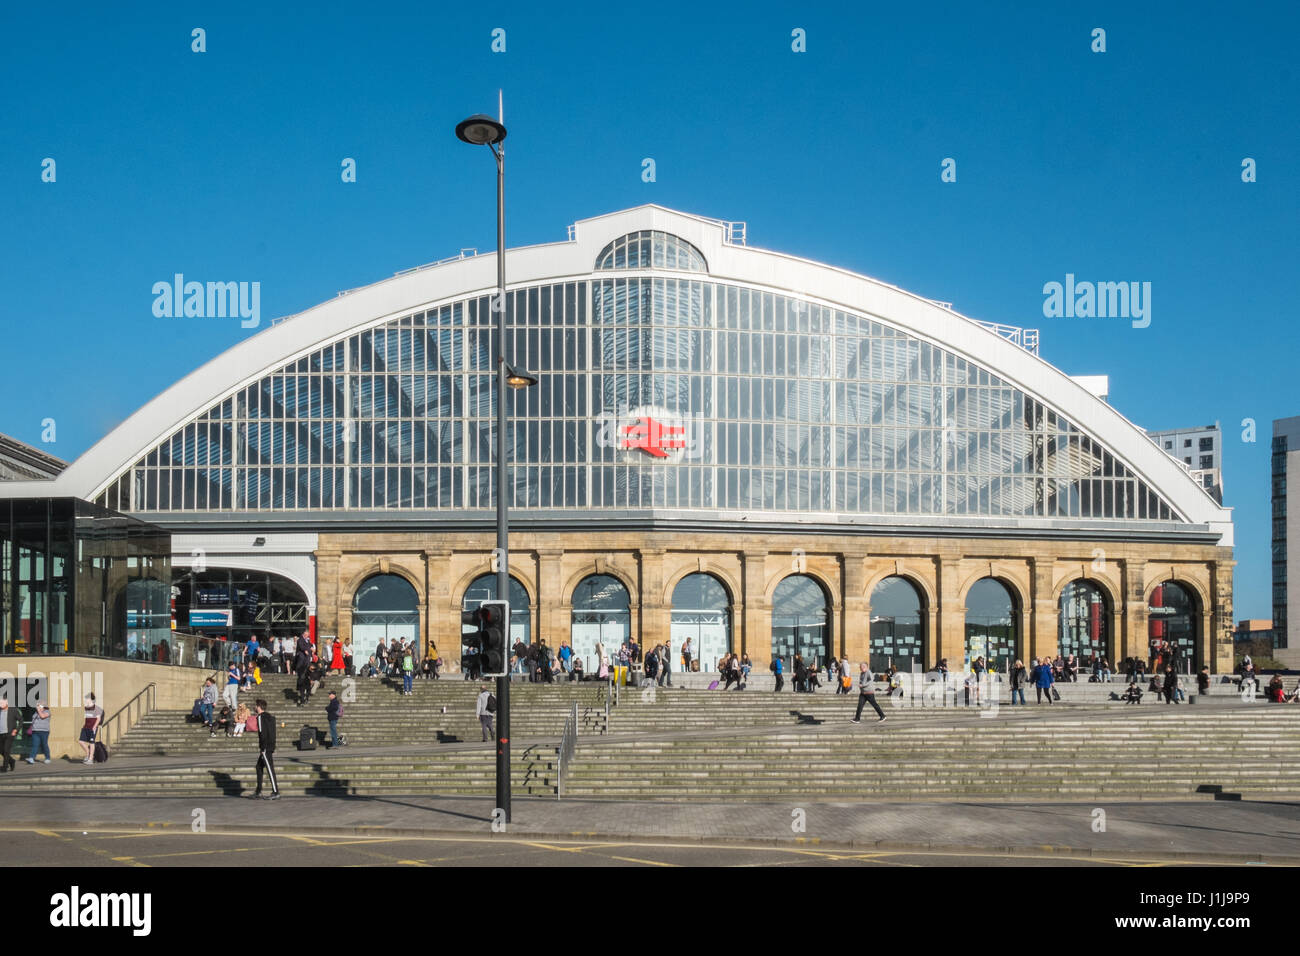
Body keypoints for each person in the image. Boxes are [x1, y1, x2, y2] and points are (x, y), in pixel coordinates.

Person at [253, 699, 279, 800]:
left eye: (255, 706)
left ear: (259, 707)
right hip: (270, 745)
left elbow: (262, 733)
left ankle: (275, 792)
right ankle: (258, 790)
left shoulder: (260, 718)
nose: (255, 707)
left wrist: (262, 747)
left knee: (269, 769)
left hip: (265, 747)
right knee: (259, 767)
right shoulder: (271, 718)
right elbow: (272, 733)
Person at [79, 693, 104, 764]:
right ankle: (88, 753)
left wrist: (94, 727)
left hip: (92, 728)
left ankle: (90, 759)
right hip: (85, 727)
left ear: (91, 699)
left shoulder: (97, 708)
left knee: (91, 743)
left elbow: (98, 719)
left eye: (87, 699)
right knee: (81, 741)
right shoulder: (86, 707)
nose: (86, 700)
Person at [0, 698, 19, 771]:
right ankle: (11, 761)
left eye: (2, 703)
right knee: (1, 750)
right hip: (1, 733)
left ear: (6, 703)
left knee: (6, 750)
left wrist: (16, 730)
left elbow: (20, 720)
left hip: (9, 734)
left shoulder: (13, 710)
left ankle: (5, 767)